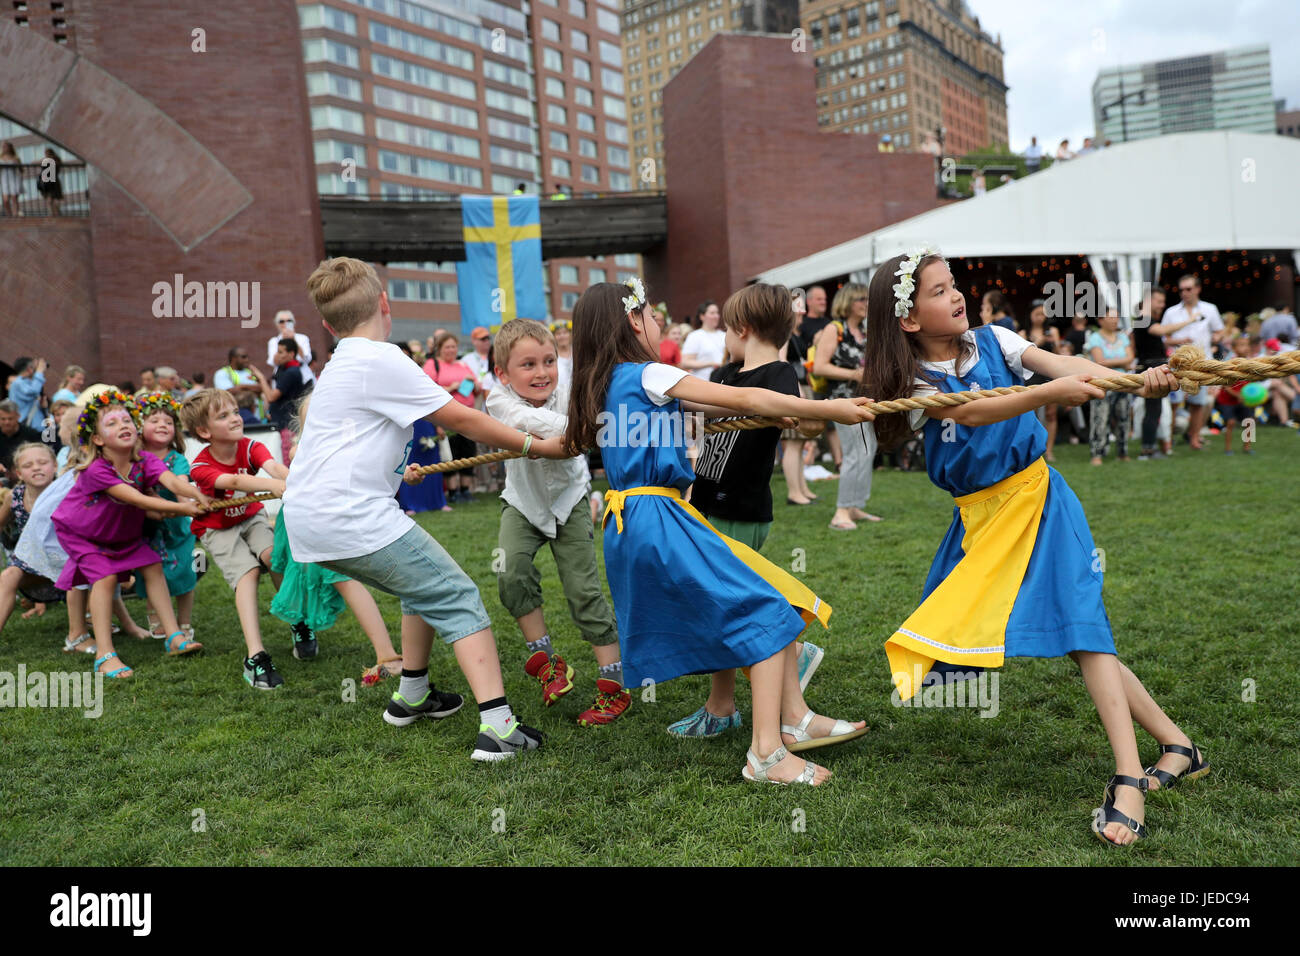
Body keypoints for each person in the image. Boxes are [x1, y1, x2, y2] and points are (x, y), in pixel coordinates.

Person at [862, 249, 1207, 845]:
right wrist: (1050, 394)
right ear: (909, 320)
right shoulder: (914, 383)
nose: (956, 295)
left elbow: (1062, 360)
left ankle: (1128, 778)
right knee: (1078, 637)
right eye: (939, 290)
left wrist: (1135, 377)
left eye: (954, 285)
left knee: (1081, 626)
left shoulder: (995, 339)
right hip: (985, 521)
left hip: (1041, 497)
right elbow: (974, 413)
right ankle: (1178, 745)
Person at [564, 279, 874, 785]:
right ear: (630, 322)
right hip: (660, 519)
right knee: (768, 612)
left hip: (634, 525)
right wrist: (831, 409)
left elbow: (735, 408)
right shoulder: (650, 374)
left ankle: (791, 722)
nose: (659, 321)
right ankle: (767, 753)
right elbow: (747, 396)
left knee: (772, 598)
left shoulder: (605, 384)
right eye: (650, 312)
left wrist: (528, 444)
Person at [284, 256, 568, 761]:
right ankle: (498, 728)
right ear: (384, 304)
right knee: (458, 596)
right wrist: (536, 445)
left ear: (328, 325)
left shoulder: (340, 365)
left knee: (422, 586)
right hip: (352, 518)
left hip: (312, 522)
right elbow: (460, 418)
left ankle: (412, 694)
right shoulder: (381, 357)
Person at [668, 284, 826, 739]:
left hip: (743, 510)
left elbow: (796, 413)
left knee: (730, 607)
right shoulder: (722, 375)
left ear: (742, 328)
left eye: (727, 333)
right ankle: (723, 706)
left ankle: (786, 654)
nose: (723, 342)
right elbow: (699, 406)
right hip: (705, 505)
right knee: (717, 606)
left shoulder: (778, 374)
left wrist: (801, 412)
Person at [484, 319, 629, 726]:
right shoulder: (497, 401)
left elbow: (580, 426)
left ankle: (615, 685)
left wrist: (559, 437)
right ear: (503, 374)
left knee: (584, 591)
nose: (542, 372)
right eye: (527, 365)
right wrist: (559, 438)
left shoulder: (570, 389)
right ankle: (548, 662)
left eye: (548, 361)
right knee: (510, 573)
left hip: (571, 502)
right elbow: (557, 426)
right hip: (523, 504)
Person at [52, 390, 208, 678]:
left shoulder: (144, 460)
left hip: (122, 533)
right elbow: (138, 500)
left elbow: (171, 480)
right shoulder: (97, 469)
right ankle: (105, 654)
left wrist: (193, 494)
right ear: (97, 439)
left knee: (151, 564)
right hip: (85, 535)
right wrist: (183, 509)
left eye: (126, 420)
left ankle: (173, 635)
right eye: (112, 423)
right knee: (106, 577)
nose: (123, 425)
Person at [270, 393, 406, 686]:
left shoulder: (348, 447)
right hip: (303, 520)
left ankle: (386, 654)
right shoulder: (301, 450)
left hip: (329, 523)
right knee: (284, 572)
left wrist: (405, 471)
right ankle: (301, 627)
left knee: (343, 580)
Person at [180, 388, 293, 688]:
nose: (234, 418)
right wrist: (278, 485)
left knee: (275, 558)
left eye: (234, 412)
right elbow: (234, 481)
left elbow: (274, 467)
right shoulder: (200, 467)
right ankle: (255, 656)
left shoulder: (250, 446)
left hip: (250, 515)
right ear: (204, 431)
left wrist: (293, 479)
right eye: (222, 416)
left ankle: (298, 621)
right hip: (216, 528)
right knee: (249, 573)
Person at [128, 392, 200, 642]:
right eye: (154, 420)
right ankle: (155, 615)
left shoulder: (176, 460)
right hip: (147, 528)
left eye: (168, 422)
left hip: (177, 528)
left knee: (185, 573)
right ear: (139, 427)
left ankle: (185, 621)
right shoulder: (133, 459)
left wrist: (189, 505)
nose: (162, 425)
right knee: (150, 571)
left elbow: (181, 486)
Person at [813, 283, 880, 530]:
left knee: (868, 449)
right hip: (841, 400)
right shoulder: (835, 329)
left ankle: (854, 506)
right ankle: (841, 511)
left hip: (864, 400)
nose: (866, 304)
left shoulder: (862, 330)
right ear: (847, 302)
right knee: (855, 452)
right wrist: (854, 374)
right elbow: (820, 366)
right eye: (861, 299)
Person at [0, 443, 66, 634]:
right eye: (28, 465)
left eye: (42, 462)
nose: (36, 467)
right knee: (8, 575)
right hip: (35, 567)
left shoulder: (66, 492)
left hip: (68, 562)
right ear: (19, 473)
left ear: (55, 466)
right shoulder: (15, 496)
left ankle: (87, 623)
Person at [1160, 274, 1224, 450]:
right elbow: (1164, 338)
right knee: (1174, 403)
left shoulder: (1210, 309)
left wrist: (1215, 338)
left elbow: (1219, 331)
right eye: (1181, 290)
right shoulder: (1171, 312)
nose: (1184, 293)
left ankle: (1194, 438)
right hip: (1177, 364)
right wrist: (1180, 340)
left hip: (1202, 364)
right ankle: (1169, 439)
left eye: (1188, 289)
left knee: (1198, 403)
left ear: (1197, 289)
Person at [422, 331, 482, 502]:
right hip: (446, 418)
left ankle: (466, 490)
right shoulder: (433, 365)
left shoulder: (462, 365)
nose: (451, 350)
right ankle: (453, 492)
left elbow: (477, 389)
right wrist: (452, 387)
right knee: (450, 454)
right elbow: (427, 391)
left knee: (468, 452)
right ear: (439, 348)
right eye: (447, 347)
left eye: (453, 346)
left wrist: (475, 383)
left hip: (468, 415)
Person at [1085, 308, 1135, 464]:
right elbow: (1100, 362)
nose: (1115, 320)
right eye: (1111, 317)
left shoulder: (1122, 337)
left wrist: (1113, 362)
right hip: (1102, 383)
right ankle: (1097, 453)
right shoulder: (1095, 338)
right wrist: (1123, 361)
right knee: (1100, 417)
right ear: (1100, 320)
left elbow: (1131, 357)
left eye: (1116, 317)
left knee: (1124, 417)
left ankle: (1123, 452)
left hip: (1123, 383)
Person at [254, 337, 310, 463]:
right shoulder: (285, 370)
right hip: (285, 424)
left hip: (287, 426)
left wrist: (261, 378)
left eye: (280, 352)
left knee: (288, 461)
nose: (277, 355)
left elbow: (271, 397)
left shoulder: (291, 372)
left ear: (291, 354)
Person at [1133, 289, 1173, 459]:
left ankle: (1149, 448)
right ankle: (1147, 450)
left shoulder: (1145, 320)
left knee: (1154, 410)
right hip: (1150, 369)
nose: (1162, 305)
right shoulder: (1144, 319)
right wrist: (1191, 320)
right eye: (1159, 301)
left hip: (1151, 367)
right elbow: (1161, 331)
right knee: (1152, 410)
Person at [1214, 336, 1259, 455]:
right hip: (1227, 400)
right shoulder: (1230, 363)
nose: (1246, 348)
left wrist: (1254, 395)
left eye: (1247, 345)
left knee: (1250, 422)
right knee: (1231, 423)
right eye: (1242, 345)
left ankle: (1247, 447)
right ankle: (1228, 448)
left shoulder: (1250, 363)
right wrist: (1237, 395)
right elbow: (1225, 385)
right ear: (1233, 348)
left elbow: (1251, 383)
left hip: (1243, 400)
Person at [213, 347, 267, 421]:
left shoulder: (251, 372)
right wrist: (253, 389)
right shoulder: (222, 373)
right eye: (243, 357)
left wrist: (242, 387)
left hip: (258, 418)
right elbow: (227, 392)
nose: (247, 360)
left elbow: (263, 388)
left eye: (247, 357)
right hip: (237, 418)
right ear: (233, 358)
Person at [266, 311, 316, 385]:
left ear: (294, 323)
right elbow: (274, 362)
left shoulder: (302, 338)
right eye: (281, 321)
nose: (285, 324)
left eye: (289, 321)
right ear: (277, 325)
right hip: (282, 377)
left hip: (303, 376)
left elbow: (306, 358)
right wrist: (282, 341)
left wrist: (293, 340)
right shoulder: (274, 341)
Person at [681, 301, 726, 381]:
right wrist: (711, 363)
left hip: (723, 381)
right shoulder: (695, 336)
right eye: (712, 313)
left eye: (717, 313)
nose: (716, 316)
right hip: (704, 382)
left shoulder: (723, 335)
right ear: (702, 316)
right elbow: (685, 362)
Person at [0, 399, 44, 477]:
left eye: (10, 419)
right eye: (3, 419)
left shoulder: (31, 435)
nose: (7, 422)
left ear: (18, 416)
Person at [9, 357, 48, 429]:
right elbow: (32, 391)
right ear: (29, 369)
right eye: (33, 367)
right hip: (27, 429)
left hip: (38, 430)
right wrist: (39, 372)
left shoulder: (30, 383)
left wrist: (44, 407)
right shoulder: (17, 383)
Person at [461, 326, 496, 395]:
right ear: (474, 341)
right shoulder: (466, 359)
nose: (486, 341)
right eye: (483, 339)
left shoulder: (495, 356)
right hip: (475, 396)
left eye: (488, 338)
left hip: (493, 394)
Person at [37, 148, 62, 216]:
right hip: (47, 182)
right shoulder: (47, 160)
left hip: (52, 181)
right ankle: (53, 213)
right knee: (50, 199)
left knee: (52, 199)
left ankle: (55, 213)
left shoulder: (54, 160)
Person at [0, 141, 20, 217]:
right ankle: (9, 215)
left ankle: (15, 214)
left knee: (14, 197)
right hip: (4, 179)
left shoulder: (15, 158)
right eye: (3, 146)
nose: (4, 148)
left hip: (13, 178)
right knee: (5, 200)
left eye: (6, 146)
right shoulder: (0, 157)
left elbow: (20, 169)